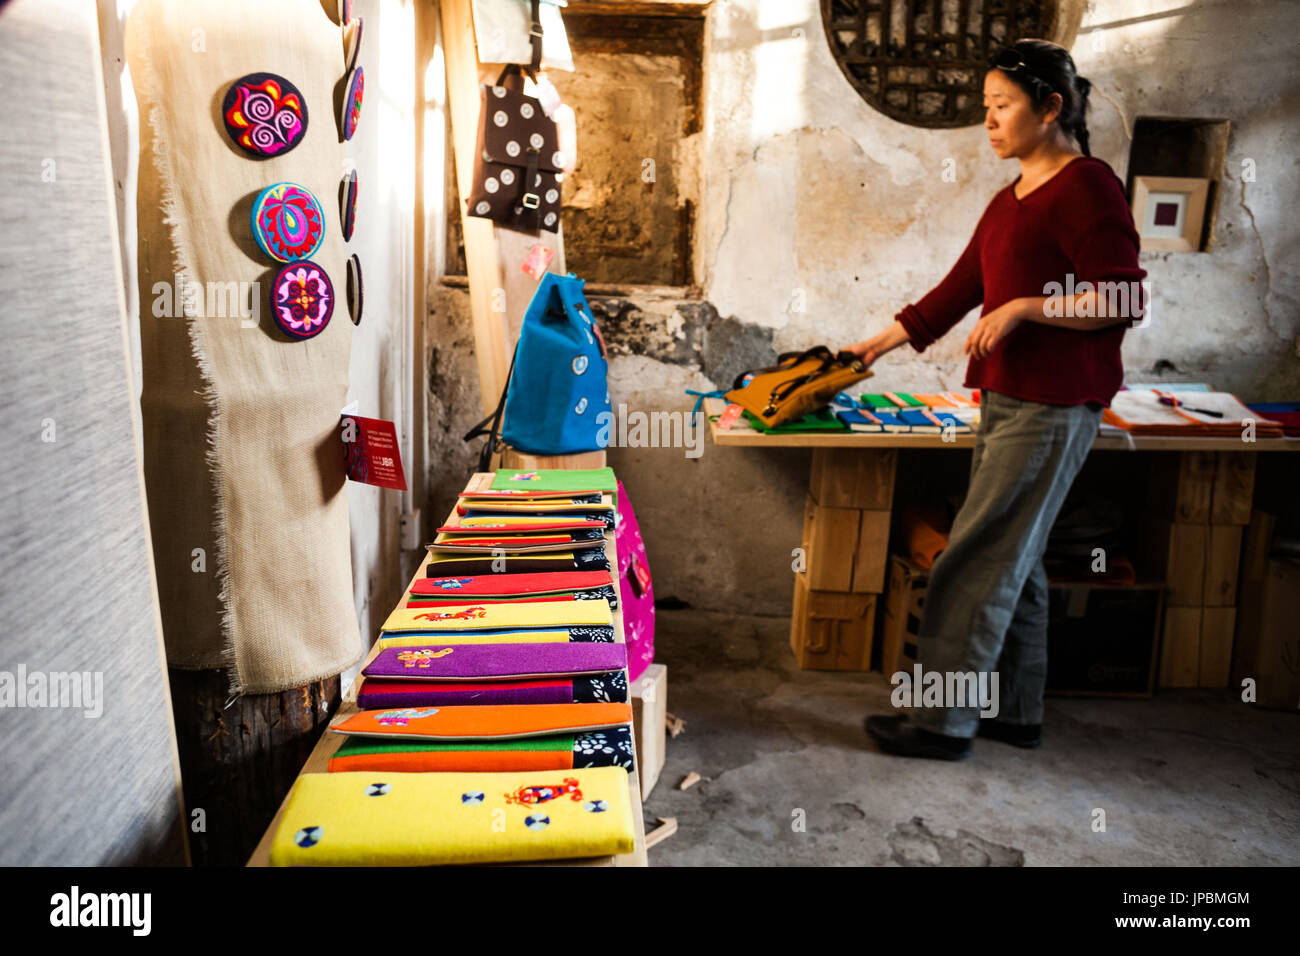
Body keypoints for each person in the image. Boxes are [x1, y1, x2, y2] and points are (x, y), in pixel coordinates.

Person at [844, 39, 1147, 760]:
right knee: (1016, 558)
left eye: (1002, 105)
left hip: (1054, 404)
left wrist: (1025, 309)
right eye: (985, 108)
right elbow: (957, 292)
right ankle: (1015, 712)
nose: (989, 121)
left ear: (1051, 107)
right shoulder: (1009, 199)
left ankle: (942, 724)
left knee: (972, 558)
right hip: (1009, 400)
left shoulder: (1088, 187)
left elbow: (1123, 295)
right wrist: (870, 348)